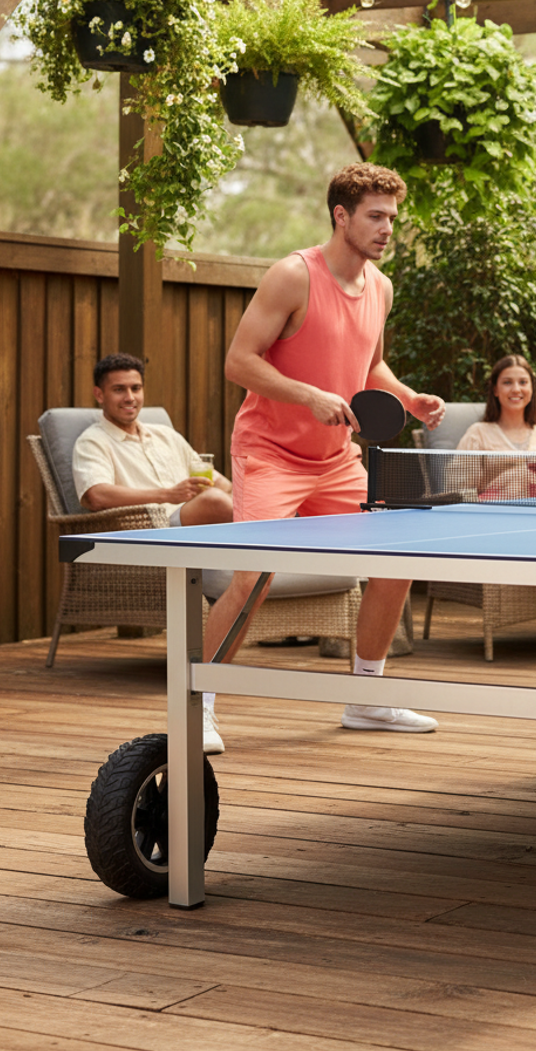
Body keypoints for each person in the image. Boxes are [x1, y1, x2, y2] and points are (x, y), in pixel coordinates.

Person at [201, 163, 446, 755]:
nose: (387, 228)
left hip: (336, 460)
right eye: (376, 217)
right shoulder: (293, 276)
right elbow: (239, 361)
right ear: (342, 216)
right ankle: (197, 702)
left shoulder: (381, 288)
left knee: (397, 557)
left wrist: (407, 397)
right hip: (269, 454)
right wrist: (308, 395)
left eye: (392, 217)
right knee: (253, 575)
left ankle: (366, 698)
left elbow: (369, 367)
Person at [449, 354, 536, 603]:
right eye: (507, 382)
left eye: (523, 382)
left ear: (532, 389)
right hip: (498, 525)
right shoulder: (478, 433)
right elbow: (459, 489)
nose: (516, 389)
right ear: (494, 389)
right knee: (522, 476)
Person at [73, 352, 233, 527]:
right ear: (99, 395)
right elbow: (96, 495)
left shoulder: (166, 435)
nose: (130, 398)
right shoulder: (92, 442)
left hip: (196, 522)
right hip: (149, 529)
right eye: (119, 389)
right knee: (214, 500)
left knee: (248, 497)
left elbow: (221, 484)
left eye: (135, 388)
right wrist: (168, 495)